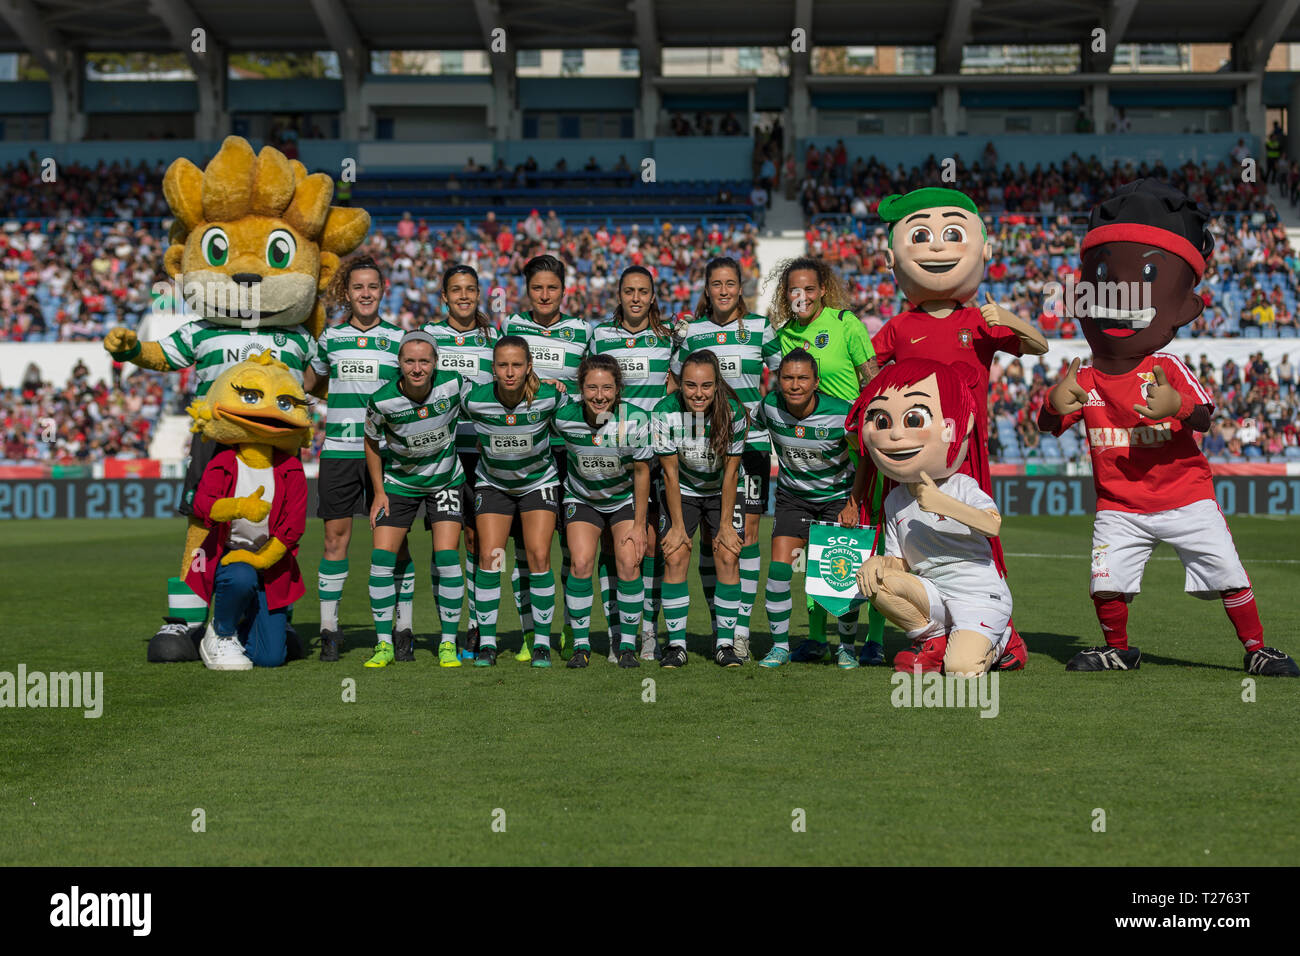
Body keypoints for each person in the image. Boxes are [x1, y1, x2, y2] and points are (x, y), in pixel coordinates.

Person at [1038, 178, 1297, 677]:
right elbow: (1049, 424)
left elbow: (1204, 415)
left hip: (1185, 496)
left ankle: (1257, 647)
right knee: (1106, 583)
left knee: (1229, 574)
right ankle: (1118, 649)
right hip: (1120, 503)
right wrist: (1052, 405)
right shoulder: (1083, 375)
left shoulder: (1168, 365)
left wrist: (1176, 405)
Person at [863, 186, 1045, 673]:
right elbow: (869, 373)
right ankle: (935, 630)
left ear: (983, 249)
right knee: (908, 528)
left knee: (978, 533)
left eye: (951, 234)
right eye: (921, 236)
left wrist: (1009, 318)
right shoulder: (900, 326)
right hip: (914, 445)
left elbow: (1039, 346)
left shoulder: (977, 320)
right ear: (893, 259)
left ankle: (999, 628)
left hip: (967, 446)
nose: (937, 247)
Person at [855, 358, 1013, 676]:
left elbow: (992, 525)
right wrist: (879, 563)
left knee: (961, 671)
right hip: (932, 593)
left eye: (913, 418)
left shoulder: (960, 485)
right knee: (875, 582)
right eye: (883, 422)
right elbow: (901, 561)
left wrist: (942, 503)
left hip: (978, 594)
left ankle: (1005, 642)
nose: (896, 435)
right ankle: (933, 641)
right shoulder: (895, 500)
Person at [764, 255, 882, 664]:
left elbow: (874, 382)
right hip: (809, 459)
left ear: (822, 290)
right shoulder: (780, 338)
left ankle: (874, 641)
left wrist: (874, 434)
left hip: (854, 453)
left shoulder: (844, 323)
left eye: (809, 289)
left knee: (860, 555)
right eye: (793, 290)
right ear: (785, 295)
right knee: (812, 561)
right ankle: (815, 638)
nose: (802, 296)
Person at [670, 257, 780, 661]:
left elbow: (784, 377)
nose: (723, 290)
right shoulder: (692, 331)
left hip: (750, 445)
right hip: (701, 448)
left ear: (740, 288)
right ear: (706, 289)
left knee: (745, 537)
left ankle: (741, 632)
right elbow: (675, 382)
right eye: (716, 284)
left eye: (730, 283)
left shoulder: (760, 328)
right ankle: (720, 626)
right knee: (707, 541)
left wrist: (763, 411)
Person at [303, 256, 406, 663]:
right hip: (339, 454)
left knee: (394, 546)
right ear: (347, 293)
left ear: (383, 291)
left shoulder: (400, 340)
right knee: (334, 541)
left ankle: (403, 629)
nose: (366, 294)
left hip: (386, 455)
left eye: (373, 287)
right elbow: (309, 384)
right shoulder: (329, 339)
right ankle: (330, 629)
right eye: (358, 287)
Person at [585, 266, 676, 660]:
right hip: (611, 451)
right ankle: (617, 631)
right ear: (618, 295)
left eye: (643, 291)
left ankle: (650, 631)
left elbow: (680, 382)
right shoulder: (600, 335)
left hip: (654, 453)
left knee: (651, 544)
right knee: (613, 544)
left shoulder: (669, 336)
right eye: (628, 291)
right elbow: (592, 382)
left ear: (653, 297)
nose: (635, 298)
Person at [362, 331, 467, 668]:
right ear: (399, 363)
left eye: (424, 361)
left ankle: (448, 643)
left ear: (435, 363)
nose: (417, 368)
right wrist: (379, 491)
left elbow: (492, 396)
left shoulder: (453, 384)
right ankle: (384, 645)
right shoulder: (382, 400)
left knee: (447, 555)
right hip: (399, 484)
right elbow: (370, 440)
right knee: (381, 558)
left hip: (446, 481)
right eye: (410, 361)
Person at [504, 255, 591, 660]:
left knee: (572, 546)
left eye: (552, 287)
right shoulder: (511, 327)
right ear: (527, 290)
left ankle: (574, 631)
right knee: (526, 551)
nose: (544, 294)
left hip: (569, 450)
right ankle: (530, 633)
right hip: (527, 450)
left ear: (563, 290)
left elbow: (593, 386)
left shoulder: (582, 332)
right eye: (537, 287)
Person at [755, 350, 864, 668]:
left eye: (803, 378)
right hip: (793, 499)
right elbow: (751, 430)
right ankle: (778, 646)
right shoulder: (769, 407)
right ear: (778, 379)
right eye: (787, 377)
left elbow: (865, 459)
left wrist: (853, 503)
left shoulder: (841, 414)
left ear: (816, 382)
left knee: (842, 579)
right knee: (778, 572)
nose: (794, 385)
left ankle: (845, 648)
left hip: (837, 500)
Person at [462, 337, 565, 667]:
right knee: (492, 558)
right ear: (493, 368)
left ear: (529, 367)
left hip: (538, 483)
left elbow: (586, 412)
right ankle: (489, 644)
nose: (510, 372)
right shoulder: (473, 399)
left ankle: (541, 644)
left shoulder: (550, 397)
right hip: (493, 484)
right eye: (503, 365)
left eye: (517, 365)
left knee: (538, 555)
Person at [554, 355, 654, 668]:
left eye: (607, 388)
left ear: (618, 389)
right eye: (592, 388)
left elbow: (641, 472)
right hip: (582, 498)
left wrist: (639, 526)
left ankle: (626, 645)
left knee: (628, 562)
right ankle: (581, 646)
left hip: (624, 500)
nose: (600, 396)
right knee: (581, 562)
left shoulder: (635, 419)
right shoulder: (562, 415)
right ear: (579, 389)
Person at [421, 264, 500, 660]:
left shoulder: (495, 337)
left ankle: (479, 627)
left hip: (484, 453)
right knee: (445, 544)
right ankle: (447, 628)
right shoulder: (428, 336)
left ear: (479, 295)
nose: (464, 296)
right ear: (444, 297)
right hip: (442, 455)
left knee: (480, 542)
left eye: (471, 289)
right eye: (456, 290)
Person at [653, 350, 748, 668]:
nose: (698, 393)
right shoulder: (663, 412)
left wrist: (725, 525)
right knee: (676, 554)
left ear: (717, 384)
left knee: (727, 553)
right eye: (690, 385)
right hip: (681, 489)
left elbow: (732, 473)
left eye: (706, 385)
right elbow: (669, 473)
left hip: (721, 489)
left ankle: (725, 644)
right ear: (680, 384)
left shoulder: (734, 412)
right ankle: (676, 645)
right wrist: (678, 527)